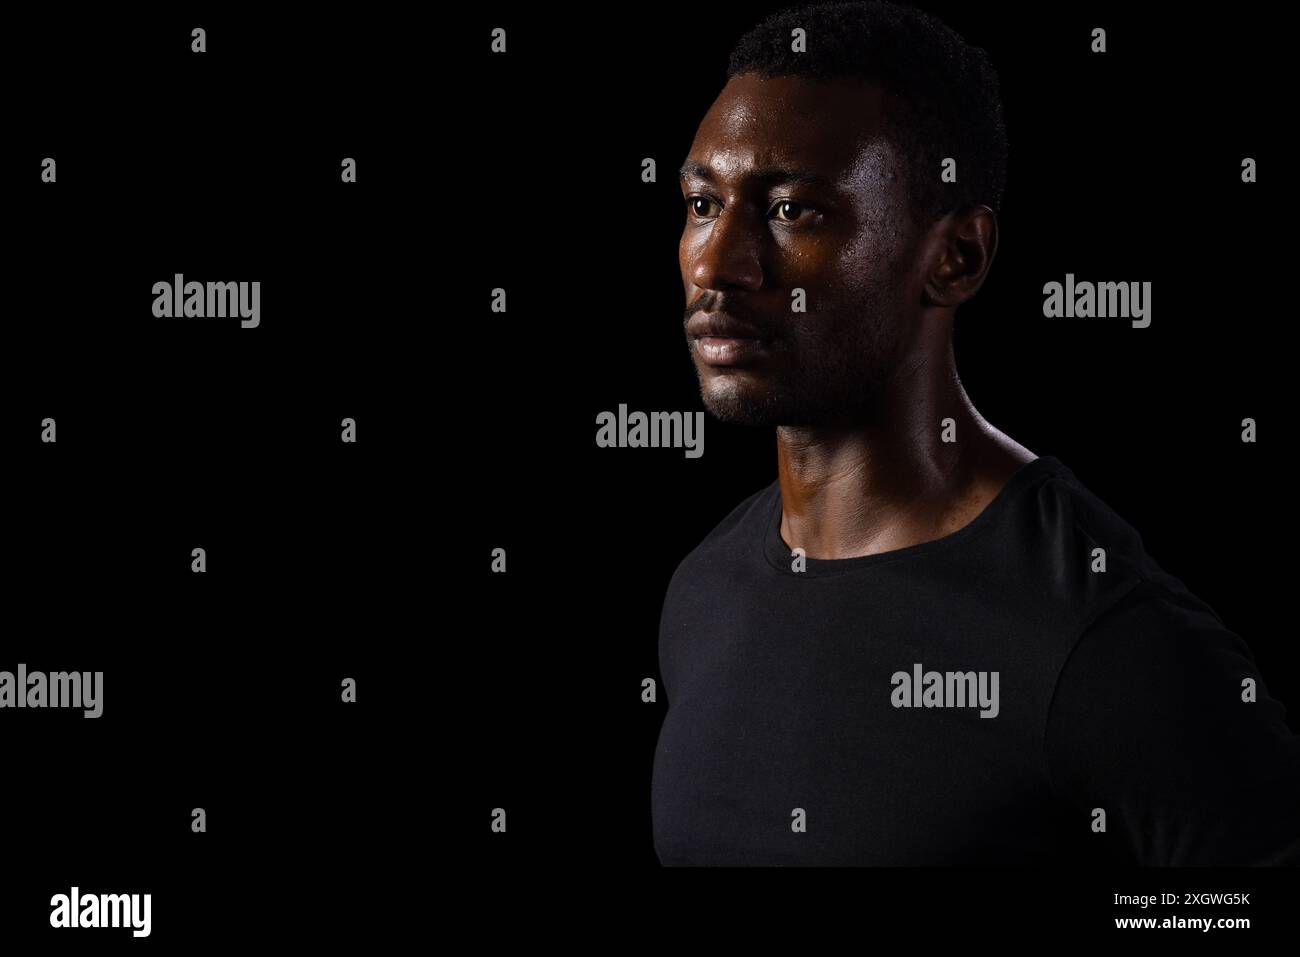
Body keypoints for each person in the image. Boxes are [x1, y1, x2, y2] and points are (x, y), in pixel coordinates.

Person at [651, 0, 1300, 866]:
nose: (717, 262)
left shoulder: (1111, 646)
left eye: (794, 211)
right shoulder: (702, 591)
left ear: (956, 256)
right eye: (701, 202)